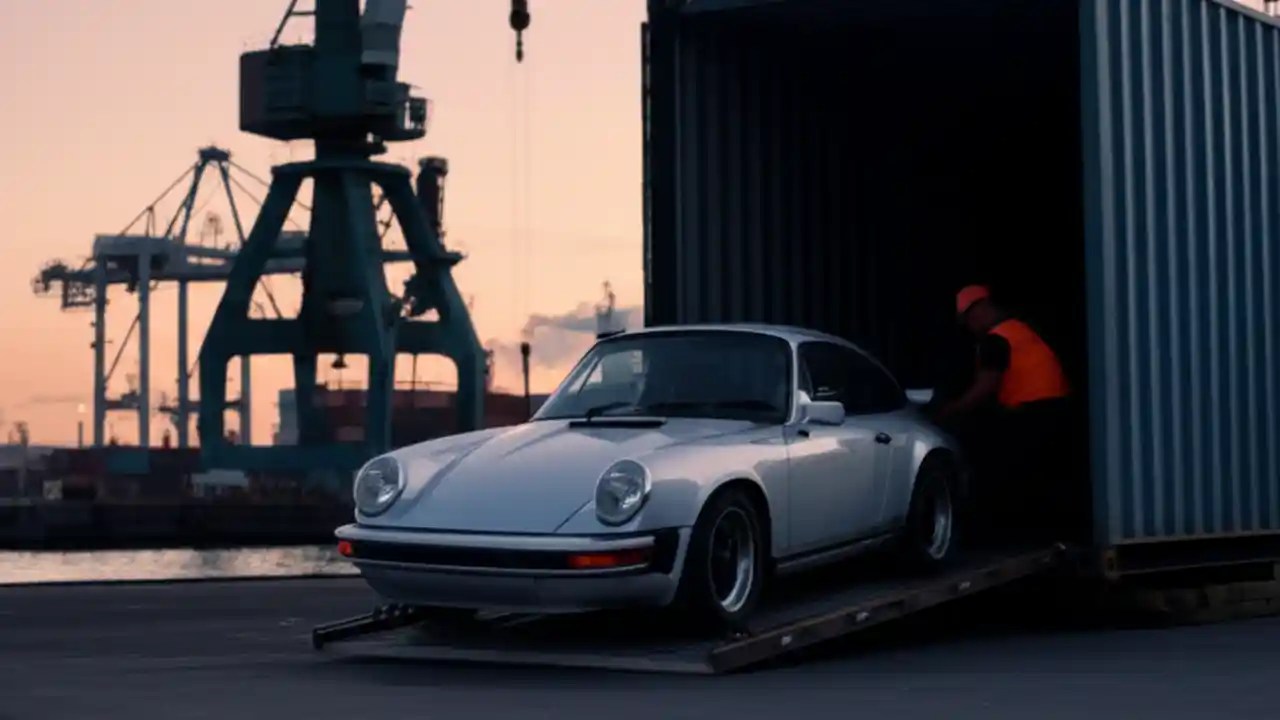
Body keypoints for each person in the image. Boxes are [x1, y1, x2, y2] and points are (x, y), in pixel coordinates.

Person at [931, 285, 1073, 545]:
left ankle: (1005, 534)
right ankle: (1045, 533)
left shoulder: (995, 340)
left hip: (1031, 414)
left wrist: (953, 409)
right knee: (1043, 476)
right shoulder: (1020, 330)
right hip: (1057, 409)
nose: (970, 327)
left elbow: (986, 386)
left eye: (968, 320)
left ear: (979, 310)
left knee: (1000, 467)